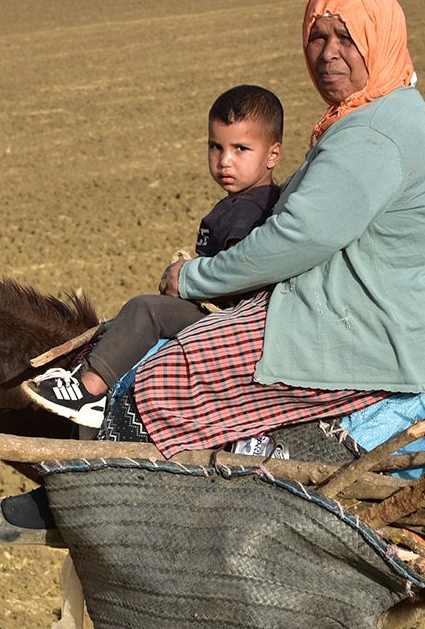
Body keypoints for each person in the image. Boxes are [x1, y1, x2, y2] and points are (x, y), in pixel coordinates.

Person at [0, 0, 425, 544]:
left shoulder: (375, 133)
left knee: (164, 376)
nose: (328, 54)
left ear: (381, 40)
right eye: (317, 38)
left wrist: (196, 277)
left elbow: (298, 236)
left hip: (360, 332)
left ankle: (85, 506)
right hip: (363, 313)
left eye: (347, 37)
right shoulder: (378, 113)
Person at [24, 85, 287, 429]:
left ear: (273, 154)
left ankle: (89, 391)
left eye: (241, 149)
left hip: (231, 322)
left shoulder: (250, 209)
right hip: (222, 312)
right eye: (216, 147)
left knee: (145, 309)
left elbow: (241, 273)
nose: (225, 161)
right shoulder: (240, 203)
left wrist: (188, 280)